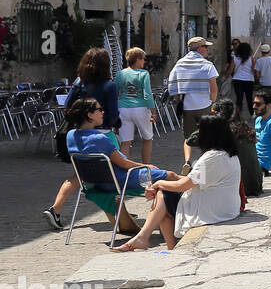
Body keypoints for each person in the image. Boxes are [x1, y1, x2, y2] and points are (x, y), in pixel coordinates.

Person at [44, 97, 176, 234]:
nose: (102, 112)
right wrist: (146, 166)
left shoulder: (71, 135)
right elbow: (124, 164)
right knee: (169, 177)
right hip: (122, 181)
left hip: (94, 184)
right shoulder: (99, 138)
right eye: (99, 110)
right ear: (90, 115)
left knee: (161, 178)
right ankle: (178, 215)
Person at [113, 115, 243, 252]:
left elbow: (183, 186)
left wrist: (158, 184)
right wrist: (168, 180)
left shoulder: (211, 157)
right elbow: (196, 180)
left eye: (200, 130)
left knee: (162, 196)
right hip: (224, 206)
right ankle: (150, 240)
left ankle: (152, 240)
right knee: (163, 200)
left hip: (214, 210)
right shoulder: (227, 154)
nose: (198, 134)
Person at [115, 47, 156, 164]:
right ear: (137, 59)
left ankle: (124, 168)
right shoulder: (143, 74)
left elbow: (116, 93)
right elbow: (147, 93)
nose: (144, 61)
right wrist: (153, 111)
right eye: (143, 59)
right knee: (147, 138)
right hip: (140, 108)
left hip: (123, 108)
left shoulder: (120, 74)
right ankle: (146, 166)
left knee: (125, 142)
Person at [71, 47, 121, 134]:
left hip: (81, 130)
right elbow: (113, 114)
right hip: (103, 130)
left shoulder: (79, 82)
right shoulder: (109, 86)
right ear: (106, 65)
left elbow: (68, 103)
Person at [227, 40, 256, 115]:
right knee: (249, 99)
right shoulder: (251, 59)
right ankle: (252, 114)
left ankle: (238, 115)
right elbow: (253, 71)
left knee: (239, 99)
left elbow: (230, 70)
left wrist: (226, 77)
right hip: (249, 80)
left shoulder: (235, 58)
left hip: (237, 80)